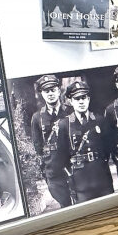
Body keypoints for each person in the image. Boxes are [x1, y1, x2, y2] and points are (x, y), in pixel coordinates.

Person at [52, 80, 114, 203]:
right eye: (77, 98)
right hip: (81, 183)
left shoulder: (99, 120)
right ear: (71, 101)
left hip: (102, 179)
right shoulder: (65, 125)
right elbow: (61, 156)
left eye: (84, 97)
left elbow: (107, 148)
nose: (81, 101)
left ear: (88, 99)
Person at [29, 74, 72, 208]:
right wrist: (46, 171)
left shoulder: (71, 111)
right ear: (42, 94)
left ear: (59, 91)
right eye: (46, 91)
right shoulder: (37, 118)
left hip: (73, 166)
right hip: (54, 171)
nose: (50, 94)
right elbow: (38, 147)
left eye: (53, 90)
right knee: (65, 205)